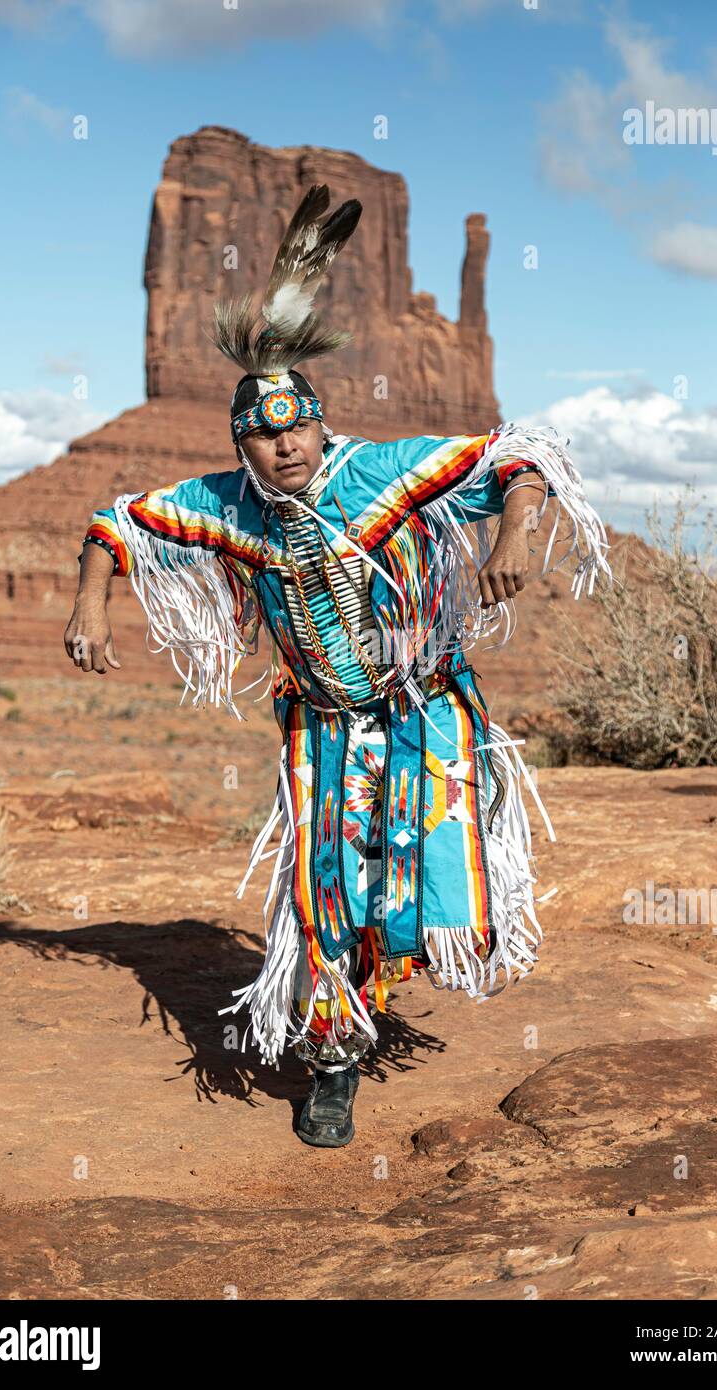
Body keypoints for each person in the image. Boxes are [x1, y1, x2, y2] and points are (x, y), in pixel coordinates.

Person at [64, 185, 612, 1147]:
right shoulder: (227, 504)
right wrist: (89, 602)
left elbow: (517, 457)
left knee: (419, 886)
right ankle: (333, 1060)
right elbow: (117, 521)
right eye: (263, 435)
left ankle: (382, 982)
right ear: (242, 444)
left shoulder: (383, 471)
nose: (283, 447)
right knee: (327, 889)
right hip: (319, 727)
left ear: (321, 423)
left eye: (296, 429)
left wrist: (514, 536)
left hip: (426, 712)